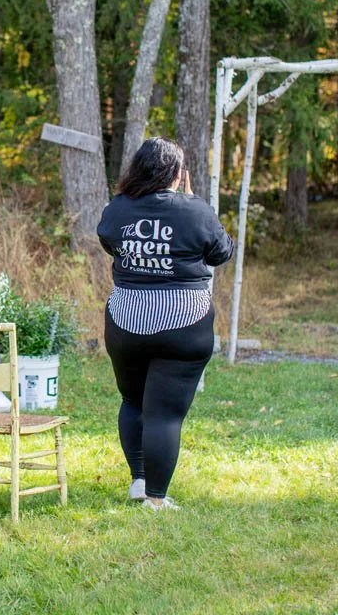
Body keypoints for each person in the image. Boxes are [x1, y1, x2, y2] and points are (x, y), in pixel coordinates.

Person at [96, 137, 234, 511]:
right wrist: (187, 203)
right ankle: (156, 499)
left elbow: (109, 242)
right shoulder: (195, 211)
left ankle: (139, 481)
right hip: (183, 323)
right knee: (164, 414)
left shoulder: (117, 208)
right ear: (176, 174)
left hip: (126, 320)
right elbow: (222, 252)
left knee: (133, 401)